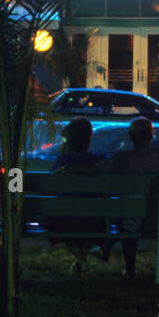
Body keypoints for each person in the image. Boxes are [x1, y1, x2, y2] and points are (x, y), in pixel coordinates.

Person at [89, 117, 159, 279]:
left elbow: (96, 170)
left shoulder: (122, 158)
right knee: (133, 214)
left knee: (124, 214)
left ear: (130, 136)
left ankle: (126, 266)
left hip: (130, 218)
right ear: (152, 135)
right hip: (157, 217)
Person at [47, 117, 107, 276]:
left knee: (56, 216)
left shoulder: (61, 161)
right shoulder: (99, 161)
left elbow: (49, 187)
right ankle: (82, 261)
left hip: (64, 222)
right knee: (90, 216)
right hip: (96, 222)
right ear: (89, 138)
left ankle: (80, 261)